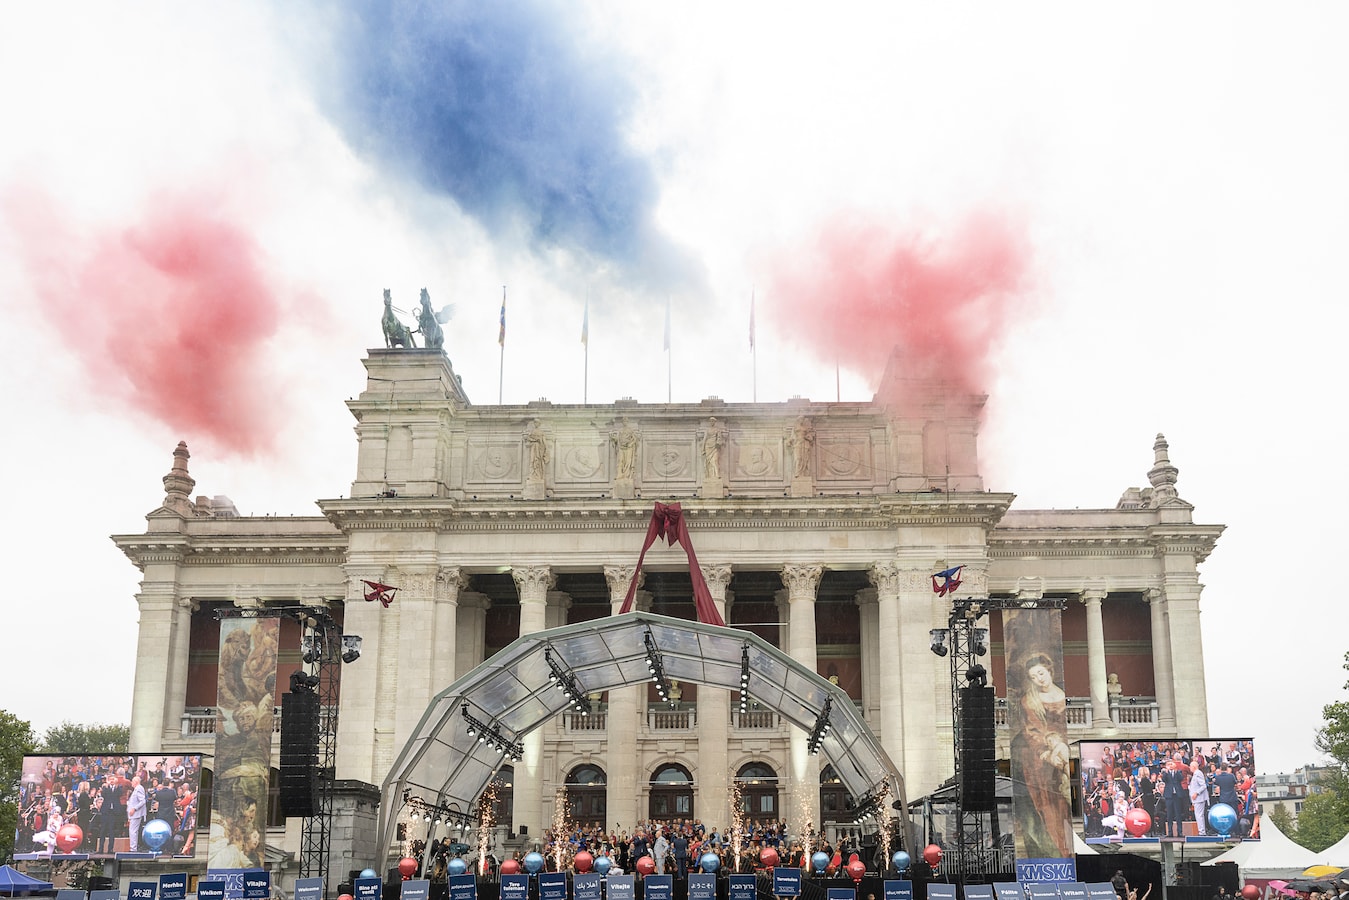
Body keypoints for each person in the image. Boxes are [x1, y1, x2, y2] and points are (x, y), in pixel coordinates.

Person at [1012, 652, 1073, 858]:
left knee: (1061, 804)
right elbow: (1033, 732)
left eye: (1041, 672)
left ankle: (1065, 850)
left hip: (1059, 749)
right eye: (1033, 677)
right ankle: (1052, 853)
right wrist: (1050, 751)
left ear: (1048, 669)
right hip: (1037, 759)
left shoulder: (1063, 694)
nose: (1040, 678)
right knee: (1046, 807)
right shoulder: (1030, 701)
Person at [127, 776, 147, 851]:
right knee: (133, 831)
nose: (131, 783)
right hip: (134, 814)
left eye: (132, 781)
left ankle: (133, 849)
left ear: (136, 782)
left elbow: (143, 801)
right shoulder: (136, 789)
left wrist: (134, 808)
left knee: (133, 831)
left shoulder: (139, 788)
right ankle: (133, 848)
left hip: (136, 814)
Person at [1190, 763, 1210, 836]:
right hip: (1197, 799)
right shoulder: (1195, 774)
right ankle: (1201, 831)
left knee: (1199, 815)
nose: (1190, 768)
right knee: (1198, 815)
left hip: (1199, 798)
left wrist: (1196, 793)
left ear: (1194, 767)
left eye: (1191, 766)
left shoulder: (1198, 773)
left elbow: (1203, 785)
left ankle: (1202, 832)